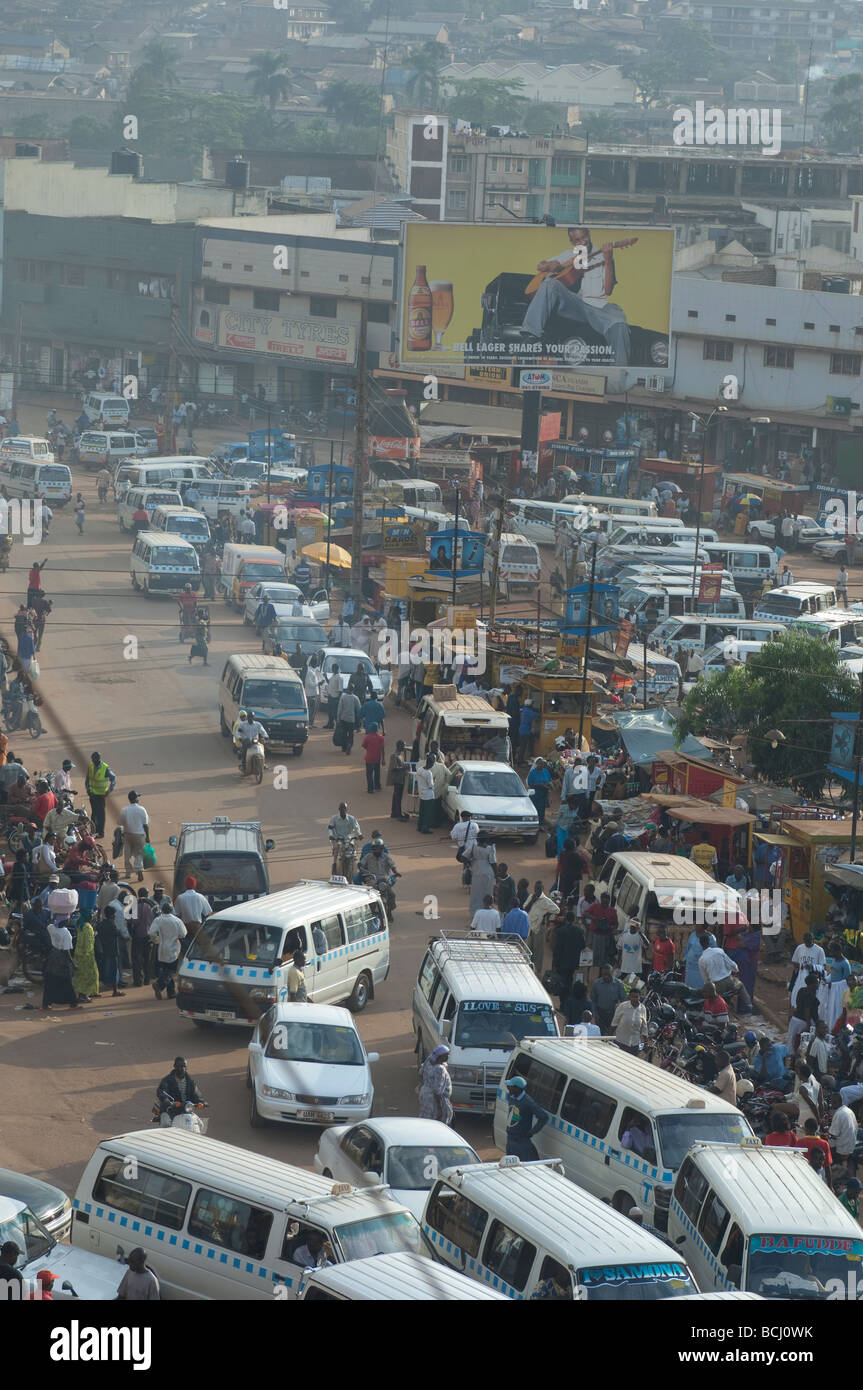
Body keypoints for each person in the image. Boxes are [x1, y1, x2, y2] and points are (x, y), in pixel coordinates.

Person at [521, 225, 631, 364]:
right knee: (549, 283)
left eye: (584, 237)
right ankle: (530, 336)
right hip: (575, 305)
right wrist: (551, 265)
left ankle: (618, 372)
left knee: (619, 322)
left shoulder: (603, 256)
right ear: (572, 242)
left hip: (598, 307)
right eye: (578, 240)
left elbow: (608, 290)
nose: (583, 242)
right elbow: (540, 266)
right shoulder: (568, 255)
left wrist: (608, 262)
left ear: (589, 234)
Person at [698, 935, 753, 1013]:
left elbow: (706, 979)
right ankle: (749, 1005)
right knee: (741, 986)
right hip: (730, 981)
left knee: (714, 999)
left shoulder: (701, 960)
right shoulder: (719, 951)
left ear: (700, 944)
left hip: (717, 986)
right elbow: (732, 965)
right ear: (710, 942)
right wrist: (736, 970)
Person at [149, 899, 187, 1000]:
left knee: (166, 970)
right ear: (171, 910)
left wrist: (156, 940)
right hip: (173, 948)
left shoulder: (158, 920)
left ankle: (171, 993)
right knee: (171, 971)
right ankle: (159, 985)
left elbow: (152, 932)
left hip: (162, 948)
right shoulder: (177, 920)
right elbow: (183, 934)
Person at [504, 1074, 549, 1159]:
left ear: (517, 1088)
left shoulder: (528, 1102)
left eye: (510, 1086)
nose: (508, 1088)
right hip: (510, 1138)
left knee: (522, 1166)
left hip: (521, 1141)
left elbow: (544, 1117)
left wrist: (531, 1132)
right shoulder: (511, 1097)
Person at [42, 918, 80, 1010]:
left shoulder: (50, 927)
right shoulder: (66, 933)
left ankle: (46, 1004)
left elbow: (48, 927)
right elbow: (67, 951)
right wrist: (73, 963)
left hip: (52, 957)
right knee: (67, 982)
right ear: (63, 921)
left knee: (50, 981)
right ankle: (73, 1004)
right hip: (62, 960)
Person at [525, 881, 560, 978]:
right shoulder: (531, 897)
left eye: (539, 889)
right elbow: (525, 909)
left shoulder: (545, 900)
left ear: (542, 889)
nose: (537, 891)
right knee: (528, 949)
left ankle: (538, 972)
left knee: (538, 951)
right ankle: (528, 969)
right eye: (536, 888)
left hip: (540, 928)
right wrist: (532, 901)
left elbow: (557, 910)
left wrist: (546, 915)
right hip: (530, 927)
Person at [417, 1044, 453, 1124]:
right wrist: (440, 1108)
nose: (448, 1057)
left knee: (424, 1117)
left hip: (424, 1094)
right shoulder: (440, 1069)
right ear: (440, 1056)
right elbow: (437, 1091)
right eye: (446, 1055)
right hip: (433, 1099)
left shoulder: (429, 1060)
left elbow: (421, 1072)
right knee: (435, 1122)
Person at [789, 931, 826, 1007]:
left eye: (809, 941)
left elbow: (823, 966)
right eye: (805, 941)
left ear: (813, 940)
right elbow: (794, 961)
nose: (807, 943)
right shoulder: (799, 948)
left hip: (812, 977)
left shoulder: (819, 950)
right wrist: (800, 966)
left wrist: (812, 967)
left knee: (810, 997)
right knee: (795, 992)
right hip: (800, 975)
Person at [173, 876, 212, 950]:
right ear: (195, 885)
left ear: (185, 885)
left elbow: (176, 915)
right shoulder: (200, 897)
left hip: (185, 927)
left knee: (186, 950)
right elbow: (208, 913)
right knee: (197, 950)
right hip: (197, 927)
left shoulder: (180, 897)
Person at [119, 789, 149, 882]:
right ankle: (139, 870)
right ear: (136, 799)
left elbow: (121, 823)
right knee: (139, 854)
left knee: (127, 855)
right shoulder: (142, 809)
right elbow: (145, 825)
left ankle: (128, 873)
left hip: (127, 834)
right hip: (139, 835)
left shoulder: (124, 810)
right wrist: (148, 836)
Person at [85, 751, 116, 839]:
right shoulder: (91, 766)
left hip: (101, 795)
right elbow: (87, 779)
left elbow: (113, 779)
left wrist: (109, 790)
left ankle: (100, 832)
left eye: (95, 760)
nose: (93, 761)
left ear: (99, 759)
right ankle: (93, 831)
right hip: (92, 794)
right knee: (94, 813)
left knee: (101, 814)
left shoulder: (105, 768)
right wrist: (88, 789)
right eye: (92, 759)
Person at [590, 964, 627, 1034]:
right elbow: (592, 1001)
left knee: (611, 1036)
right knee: (600, 1035)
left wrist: (620, 1015)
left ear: (612, 973)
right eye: (604, 974)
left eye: (608, 974)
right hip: (600, 1014)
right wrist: (595, 1015)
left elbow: (624, 1000)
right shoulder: (596, 984)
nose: (606, 976)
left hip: (613, 1014)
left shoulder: (618, 984)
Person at [72, 913, 99, 1002]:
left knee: (80, 976)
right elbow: (88, 943)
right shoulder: (88, 927)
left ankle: (81, 995)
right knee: (89, 975)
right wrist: (88, 954)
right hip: (86, 955)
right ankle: (84, 995)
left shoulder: (80, 925)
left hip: (78, 954)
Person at [130, 888, 155, 988]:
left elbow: (132, 921)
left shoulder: (133, 905)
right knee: (148, 958)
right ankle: (147, 980)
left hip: (137, 936)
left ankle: (138, 981)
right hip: (149, 936)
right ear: (147, 894)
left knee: (136, 959)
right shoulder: (152, 905)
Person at [612, 986, 647, 1055]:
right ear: (629, 997)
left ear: (639, 997)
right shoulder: (622, 1006)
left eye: (636, 997)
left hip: (634, 1045)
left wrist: (645, 1043)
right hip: (621, 1042)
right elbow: (614, 1023)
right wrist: (610, 1038)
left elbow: (644, 1027)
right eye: (632, 997)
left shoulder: (643, 1009)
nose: (634, 999)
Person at [467, 833, 497, 912]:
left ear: (477, 839)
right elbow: (493, 862)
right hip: (488, 872)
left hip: (476, 872)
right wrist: (497, 875)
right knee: (488, 892)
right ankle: (488, 910)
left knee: (476, 892)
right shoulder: (490, 848)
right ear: (487, 840)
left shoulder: (473, 847)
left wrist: (470, 864)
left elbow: (463, 857)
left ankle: (475, 911)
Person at [233, 710, 268, 775]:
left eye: (252, 717)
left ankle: (263, 763)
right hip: (246, 742)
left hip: (255, 742)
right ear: (247, 717)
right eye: (249, 717)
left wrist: (265, 737)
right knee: (244, 751)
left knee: (262, 749)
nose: (250, 719)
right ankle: (244, 765)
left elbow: (263, 732)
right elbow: (237, 732)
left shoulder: (258, 724)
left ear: (253, 717)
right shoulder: (242, 725)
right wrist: (240, 738)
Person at [618, 916, 650, 980]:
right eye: (632, 924)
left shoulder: (640, 935)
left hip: (636, 969)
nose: (633, 926)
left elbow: (647, 945)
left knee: (634, 987)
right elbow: (619, 948)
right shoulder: (624, 934)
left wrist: (640, 933)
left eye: (635, 925)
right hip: (625, 967)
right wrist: (619, 961)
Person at [527, 757, 552, 829]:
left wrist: (549, 786)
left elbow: (549, 781)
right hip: (535, 794)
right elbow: (530, 784)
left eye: (542, 763)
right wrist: (539, 785)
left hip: (544, 794)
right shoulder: (532, 773)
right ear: (536, 764)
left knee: (542, 810)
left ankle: (540, 825)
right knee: (535, 810)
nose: (541, 765)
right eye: (539, 763)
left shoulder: (546, 771)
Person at [335, 687, 361, 755]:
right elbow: (359, 709)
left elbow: (339, 709)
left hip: (343, 718)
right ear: (353, 690)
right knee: (351, 734)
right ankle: (349, 745)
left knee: (344, 733)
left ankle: (344, 747)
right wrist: (359, 721)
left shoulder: (343, 697)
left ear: (347, 690)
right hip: (351, 719)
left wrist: (338, 719)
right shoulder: (355, 698)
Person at [361, 723, 385, 793]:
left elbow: (364, 746)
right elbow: (382, 749)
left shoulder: (367, 737)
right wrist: (383, 759)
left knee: (369, 774)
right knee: (377, 773)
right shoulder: (381, 737)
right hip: (377, 758)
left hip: (369, 758)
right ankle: (377, 786)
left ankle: (370, 789)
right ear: (377, 729)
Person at [416, 754, 436, 834]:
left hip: (422, 793)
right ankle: (425, 828)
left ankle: (420, 826)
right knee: (427, 813)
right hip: (428, 795)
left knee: (422, 811)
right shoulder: (429, 773)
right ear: (432, 763)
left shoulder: (420, 769)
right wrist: (434, 781)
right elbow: (431, 786)